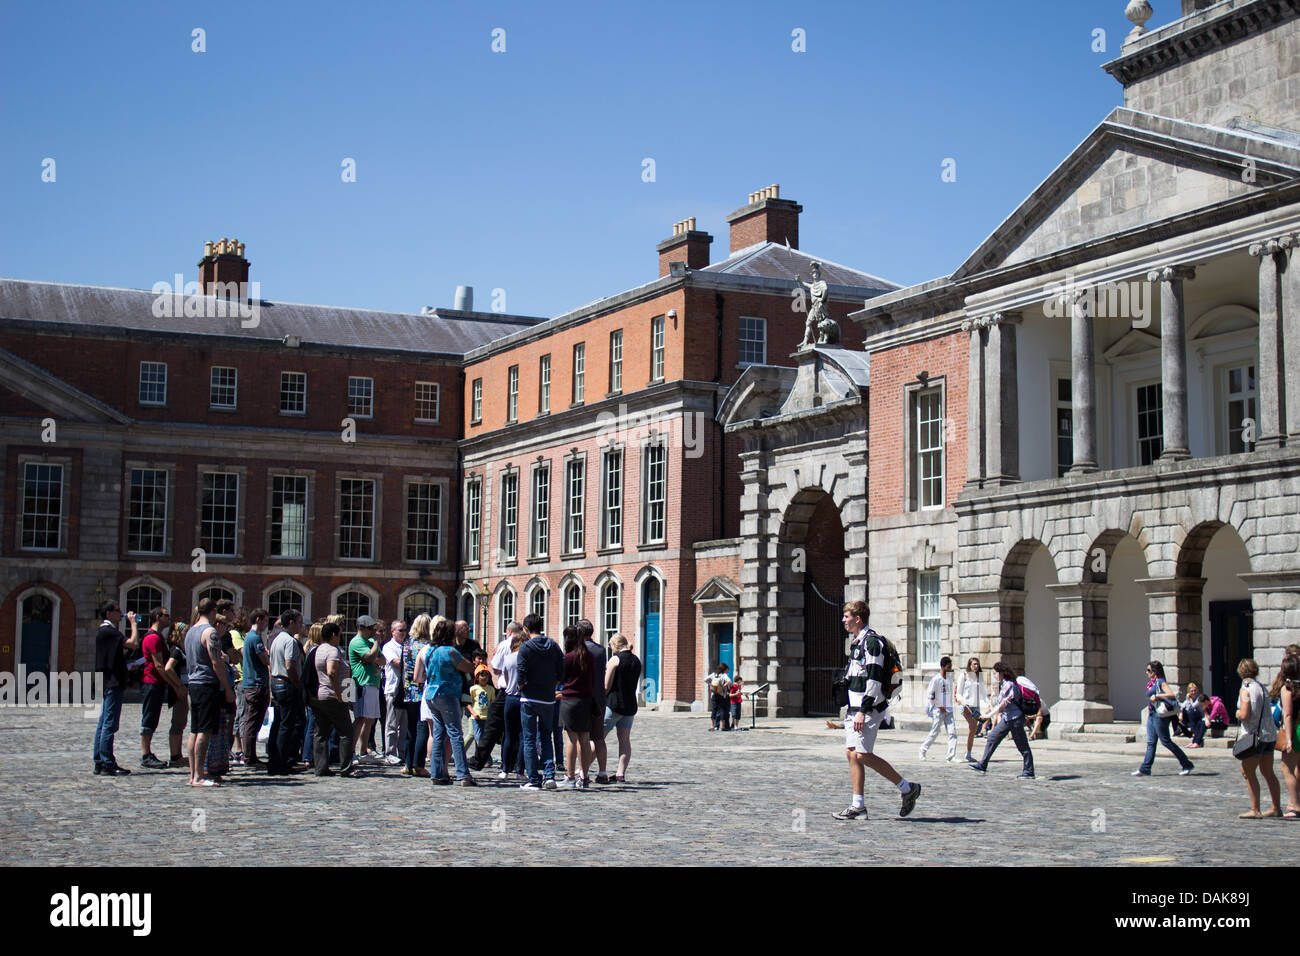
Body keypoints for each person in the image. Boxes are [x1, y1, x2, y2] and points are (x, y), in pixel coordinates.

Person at [832, 600, 920, 820]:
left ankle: (907, 788)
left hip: (868, 707)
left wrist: (864, 709)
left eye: (846, 616)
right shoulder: (856, 643)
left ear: (858, 618)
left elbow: (873, 677)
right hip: (855, 708)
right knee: (852, 753)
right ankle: (858, 806)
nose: (843, 620)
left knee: (862, 754)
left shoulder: (872, 643)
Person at [414, 617, 476, 786]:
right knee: (455, 734)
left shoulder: (430, 650)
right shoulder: (450, 651)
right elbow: (467, 667)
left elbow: (419, 676)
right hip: (447, 694)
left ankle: (437, 773)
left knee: (438, 734)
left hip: (431, 694)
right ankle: (464, 775)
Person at [185, 598, 234, 786]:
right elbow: (216, 663)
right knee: (205, 731)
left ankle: (193, 774)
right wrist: (227, 688)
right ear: (213, 611)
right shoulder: (210, 632)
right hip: (207, 684)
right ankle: (198, 776)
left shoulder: (191, 631)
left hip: (193, 683)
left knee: (194, 730)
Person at [516, 612, 564, 791]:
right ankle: (549, 775)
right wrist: (553, 685)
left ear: (526, 629)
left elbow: (520, 673)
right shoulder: (554, 646)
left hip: (529, 697)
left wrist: (521, 686)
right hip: (548, 698)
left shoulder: (526, 647)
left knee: (529, 739)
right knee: (546, 737)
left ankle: (534, 779)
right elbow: (561, 671)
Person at [93, 601, 142, 775]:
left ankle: (99, 761)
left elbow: (112, 659)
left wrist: (127, 665)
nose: (120, 613)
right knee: (109, 724)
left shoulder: (103, 632)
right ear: (108, 613)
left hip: (107, 680)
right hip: (113, 682)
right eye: (117, 611)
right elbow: (134, 643)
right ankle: (107, 762)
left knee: (103, 722)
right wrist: (133, 623)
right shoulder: (110, 632)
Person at [970, 662, 1035, 779]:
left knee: (1022, 745)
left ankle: (1029, 771)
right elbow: (998, 703)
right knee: (992, 737)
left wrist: (989, 715)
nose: (995, 676)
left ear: (1003, 673)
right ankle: (983, 764)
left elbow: (1003, 705)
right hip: (1007, 718)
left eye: (996, 673)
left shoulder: (1009, 685)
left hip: (1015, 719)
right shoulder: (1003, 684)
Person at [310, 622, 359, 777]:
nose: (340, 638)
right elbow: (332, 672)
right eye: (339, 635)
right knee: (346, 732)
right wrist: (339, 695)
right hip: (332, 695)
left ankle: (320, 767)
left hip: (320, 695)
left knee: (321, 733)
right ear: (333, 635)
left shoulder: (318, 649)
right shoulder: (332, 650)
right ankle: (346, 768)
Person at [1234, 658, 1281, 819]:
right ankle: (1276, 807)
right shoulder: (1262, 687)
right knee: (1268, 772)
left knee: (1247, 771)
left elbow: (1245, 714)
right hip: (1269, 734)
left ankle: (1255, 809)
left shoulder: (1245, 689)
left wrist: (1237, 714)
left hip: (1254, 737)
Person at [1132, 660, 1194, 777]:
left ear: (1155, 672)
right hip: (1151, 714)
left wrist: (1157, 696)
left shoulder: (1160, 682)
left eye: (1149, 670)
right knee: (1151, 742)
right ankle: (1145, 768)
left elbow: (1171, 694)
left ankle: (1186, 764)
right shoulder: (1152, 683)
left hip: (1160, 715)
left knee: (1166, 741)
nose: (1147, 672)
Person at [267, 610, 305, 775]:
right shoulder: (289, 641)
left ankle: (274, 759)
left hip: (276, 681)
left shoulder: (276, 639)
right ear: (291, 622)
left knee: (278, 723)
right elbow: (290, 665)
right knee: (286, 724)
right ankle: (282, 762)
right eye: (299, 622)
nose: (301, 625)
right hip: (286, 682)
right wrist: (297, 683)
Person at [559, 624, 596, 789]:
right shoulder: (590, 657)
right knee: (585, 739)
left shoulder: (568, 658)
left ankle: (570, 776)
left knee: (571, 740)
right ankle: (584, 777)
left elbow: (559, 678)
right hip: (586, 700)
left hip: (570, 700)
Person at [137, 607, 173, 770]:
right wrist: (172, 682)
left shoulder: (158, 637)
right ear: (158, 617)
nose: (169, 618)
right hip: (152, 682)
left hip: (156, 683)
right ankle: (145, 754)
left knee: (153, 718)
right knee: (149, 718)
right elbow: (159, 665)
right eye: (166, 616)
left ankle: (148, 752)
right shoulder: (153, 638)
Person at [490, 621, 527, 781]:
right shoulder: (526, 658)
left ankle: (505, 768)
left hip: (510, 696)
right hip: (524, 697)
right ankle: (520, 770)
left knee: (509, 735)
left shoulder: (509, 658)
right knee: (523, 735)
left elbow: (502, 676)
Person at [603, 633, 640, 783]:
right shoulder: (636, 660)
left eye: (610, 645)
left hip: (614, 704)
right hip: (630, 705)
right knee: (624, 740)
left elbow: (606, 686)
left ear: (615, 645)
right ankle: (620, 773)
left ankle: (583, 769)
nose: (610, 648)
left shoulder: (615, 659)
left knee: (598, 738)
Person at [347, 615, 385, 763]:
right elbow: (369, 657)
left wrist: (373, 656)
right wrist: (375, 644)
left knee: (369, 719)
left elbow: (382, 660)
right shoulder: (357, 642)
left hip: (373, 683)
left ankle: (363, 751)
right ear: (361, 628)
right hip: (362, 683)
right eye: (370, 629)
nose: (373, 632)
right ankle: (350, 752)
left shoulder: (369, 642)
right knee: (360, 718)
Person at [577, 619, 611, 782]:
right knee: (598, 737)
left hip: (583, 697)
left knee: (582, 737)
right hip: (598, 698)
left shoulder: (578, 650)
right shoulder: (601, 650)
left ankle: (583, 773)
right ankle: (603, 772)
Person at [400, 614, 432, 778]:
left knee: (410, 728)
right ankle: (418, 764)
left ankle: (408, 763)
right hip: (420, 689)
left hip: (408, 690)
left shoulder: (407, 644)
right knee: (422, 728)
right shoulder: (426, 646)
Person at [239, 608, 272, 766]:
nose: (267, 624)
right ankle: (249, 756)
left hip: (251, 684)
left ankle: (250, 755)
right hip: (256, 684)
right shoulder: (255, 638)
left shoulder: (249, 637)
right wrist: (267, 654)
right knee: (252, 722)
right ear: (258, 619)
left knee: (251, 721)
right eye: (265, 620)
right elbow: (264, 660)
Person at [1272, 654, 1300, 820]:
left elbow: (1287, 715)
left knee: (1287, 768)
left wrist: (1289, 739)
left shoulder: (1287, 688)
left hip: (1295, 729)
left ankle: (1295, 804)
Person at [919, 656, 958, 761]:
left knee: (952, 732)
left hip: (948, 710)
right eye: (948, 667)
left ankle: (951, 756)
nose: (950, 669)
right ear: (943, 666)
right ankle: (923, 749)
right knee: (934, 732)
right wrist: (940, 706)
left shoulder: (949, 678)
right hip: (938, 710)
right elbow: (931, 695)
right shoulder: (936, 679)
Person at [382, 619, 408, 766]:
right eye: (400, 630)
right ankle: (390, 753)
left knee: (404, 724)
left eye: (405, 630)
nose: (403, 633)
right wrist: (412, 659)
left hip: (406, 689)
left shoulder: (407, 645)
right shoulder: (388, 647)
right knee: (392, 723)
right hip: (394, 688)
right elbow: (396, 662)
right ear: (393, 632)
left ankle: (402, 752)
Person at [163, 622, 190, 767]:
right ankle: (174, 756)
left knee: (181, 722)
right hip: (181, 690)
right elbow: (168, 668)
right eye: (185, 631)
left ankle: (178, 754)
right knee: (178, 723)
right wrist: (178, 685)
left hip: (185, 688)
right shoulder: (177, 650)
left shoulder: (183, 650)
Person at [955, 657, 987, 762]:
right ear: (969, 665)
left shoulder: (978, 677)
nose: (976, 666)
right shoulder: (964, 676)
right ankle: (968, 754)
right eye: (974, 664)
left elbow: (983, 693)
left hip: (975, 706)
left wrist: (989, 703)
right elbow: (958, 693)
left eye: (977, 664)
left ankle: (968, 752)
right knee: (973, 725)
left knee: (974, 728)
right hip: (966, 706)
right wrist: (963, 703)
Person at [468, 664, 495, 759]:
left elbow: (492, 702)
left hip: (487, 718)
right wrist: (473, 713)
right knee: (479, 738)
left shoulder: (491, 689)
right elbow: (468, 702)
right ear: (477, 677)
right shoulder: (473, 689)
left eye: (486, 675)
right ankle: (485, 758)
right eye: (482, 675)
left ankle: (484, 758)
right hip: (476, 718)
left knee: (486, 739)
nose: (484, 677)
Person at [1179, 680, 1205, 745]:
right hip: (1191, 716)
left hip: (1199, 716)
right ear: (1189, 692)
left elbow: (1192, 706)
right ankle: (1184, 730)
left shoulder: (1199, 697)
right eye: (1192, 691)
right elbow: (1182, 706)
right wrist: (1181, 713)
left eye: (1195, 690)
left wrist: (1189, 700)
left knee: (1190, 711)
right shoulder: (1188, 698)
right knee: (1185, 711)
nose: (1193, 692)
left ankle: (1193, 732)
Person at [708, 663, 732, 731]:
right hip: (721, 695)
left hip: (714, 694)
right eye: (727, 669)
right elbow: (729, 681)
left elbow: (705, 679)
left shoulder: (714, 674)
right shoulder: (724, 675)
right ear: (724, 669)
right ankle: (723, 726)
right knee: (722, 710)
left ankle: (712, 726)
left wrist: (712, 685)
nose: (727, 671)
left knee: (714, 710)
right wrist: (723, 686)